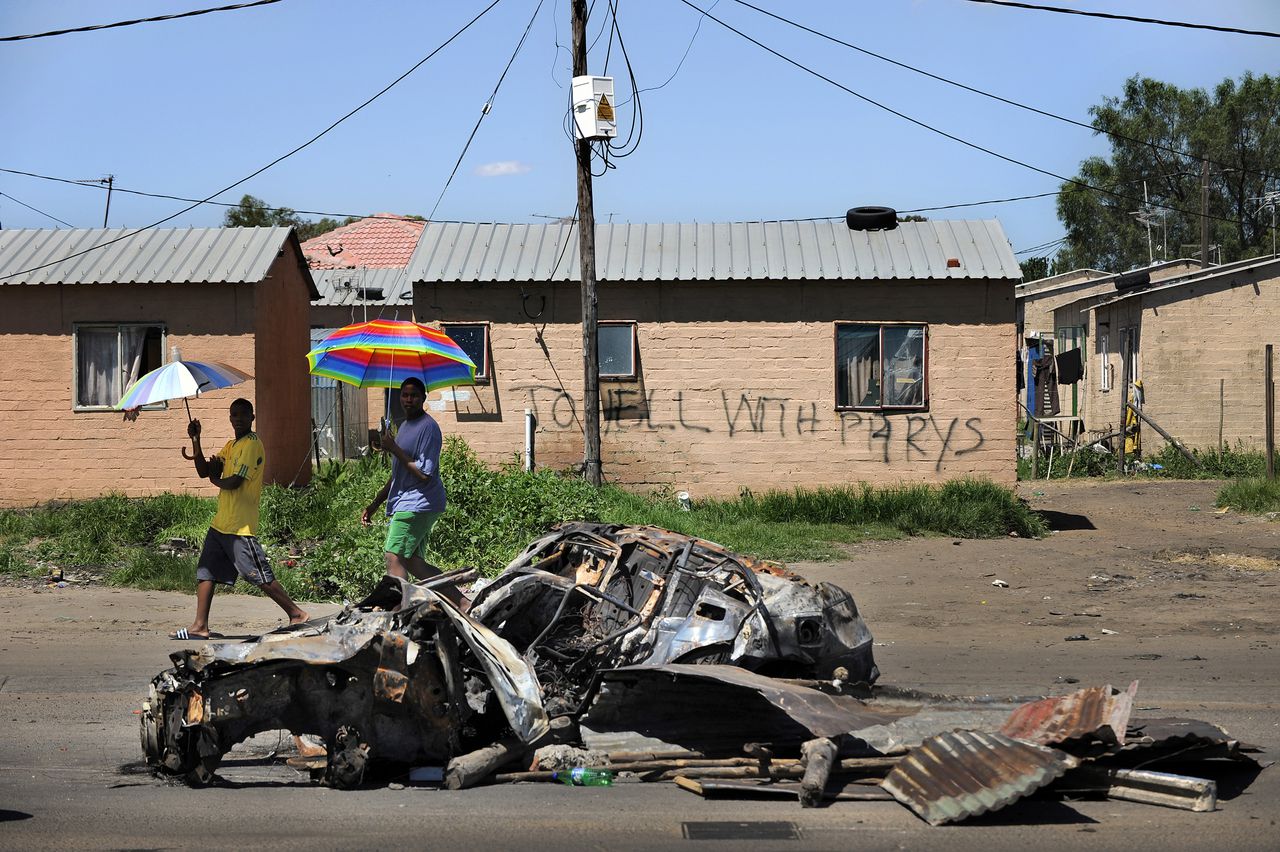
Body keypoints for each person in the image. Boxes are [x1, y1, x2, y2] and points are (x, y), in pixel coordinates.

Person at [172, 398, 308, 640]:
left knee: (255, 573)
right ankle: (199, 626)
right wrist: (196, 439)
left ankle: (296, 613)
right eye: (234, 415)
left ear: (252, 418)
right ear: (229, 418)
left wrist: (215, 479)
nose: (238, 419)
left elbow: (234, 482)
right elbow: (205, 471)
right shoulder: (231, 446)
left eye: (243, 415)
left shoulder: (253, 445)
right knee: (206, 571)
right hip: (221, 522)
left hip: (239, 525)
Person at [362, 377, 465, 606]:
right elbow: (399, 473)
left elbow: (424, 474)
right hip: (409, 501)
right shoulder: (406, 426)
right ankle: (462, 603)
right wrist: (375, 504)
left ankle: (400, 609)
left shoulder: (428, 428)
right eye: (405, 395)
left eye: (414, 395)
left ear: (423, 398)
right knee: (414, 562)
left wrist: (394, 448)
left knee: (393, 556)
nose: (409, 399)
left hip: (418, 502)